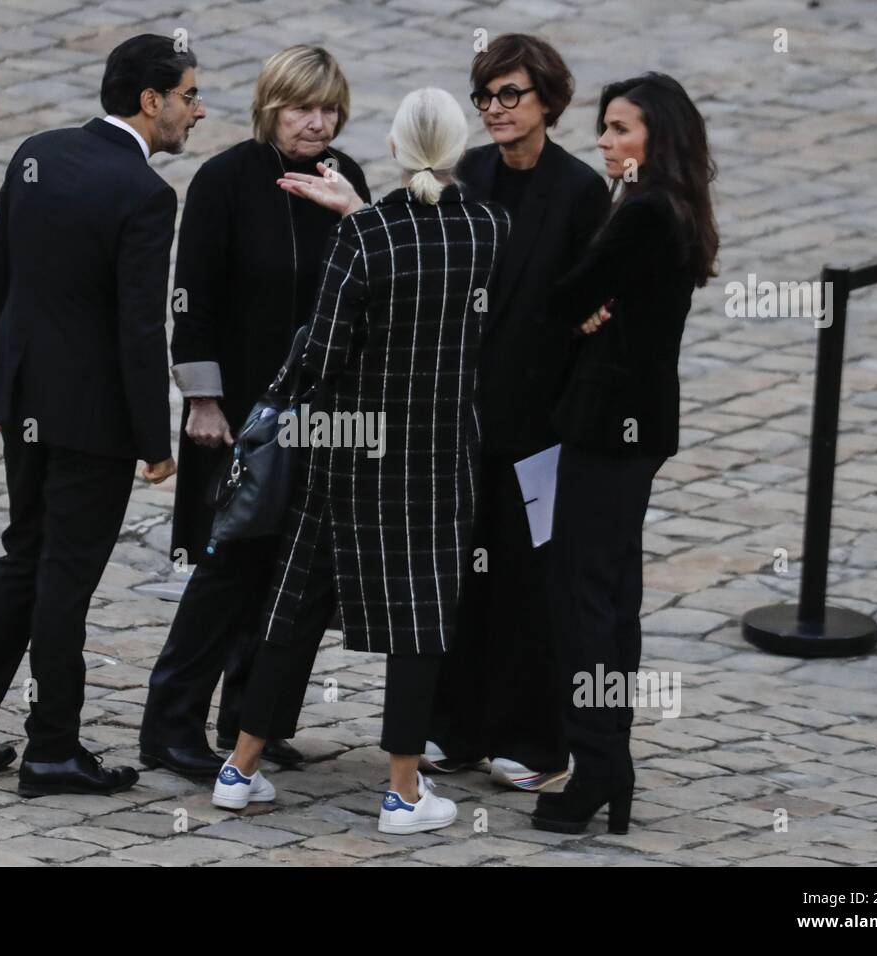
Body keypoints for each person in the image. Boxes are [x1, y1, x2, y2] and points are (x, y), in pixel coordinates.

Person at [209, 88, 512, 835]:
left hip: (346, 452)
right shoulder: (491, 229)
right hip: (436, 460)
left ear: (397, 149)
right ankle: (403, 793)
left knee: (295, 607)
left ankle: (239, 769)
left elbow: (324, 347)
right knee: (419, 621)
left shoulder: (367, 234)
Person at [0, 35, 204, 798]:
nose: (196, 110)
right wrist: (154, 438)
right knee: (63, 582)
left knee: (23, 556)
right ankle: (51, 747)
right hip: (94, 421)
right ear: (150, 102)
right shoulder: (146, 194)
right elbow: (140, 327)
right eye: (187, 96)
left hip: (25, 400)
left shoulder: (37, 152)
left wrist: (11, 374)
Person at [139, 46, 370, 780]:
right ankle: (171, 726)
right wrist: (202, 400)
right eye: (304, 107)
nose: (318, 122)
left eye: (330, 109)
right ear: (272, 106)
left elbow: (372, 291)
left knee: (294, 577)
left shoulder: (346, 179)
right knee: (225, 575)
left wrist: (358, 218)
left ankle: (254, 723)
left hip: (319, 417)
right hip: (237, 418)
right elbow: (191, 299)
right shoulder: (226, 181)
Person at [423, 33, 611, 792]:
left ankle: (534, 741)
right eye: (486, 97)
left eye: (511, 96)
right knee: (459, 578)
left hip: (538, 424)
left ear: (547, 103)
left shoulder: (578, 191)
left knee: (530, 584)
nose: (495, 110)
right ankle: (454, 727)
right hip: (463, 416)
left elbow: (590, 303)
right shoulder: (468, 174)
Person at [532, 73, 719, 834]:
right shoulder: (672, 209)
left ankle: (598, 764)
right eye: (603, 129)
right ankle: (609, 760)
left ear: (657, 137)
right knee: (612, 597)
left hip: (608, 429)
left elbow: (562, 299)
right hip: (632, 430)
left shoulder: (641, 214)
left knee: (588, 603)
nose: (604, 142)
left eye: (619, 129)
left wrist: (580, 316)